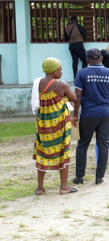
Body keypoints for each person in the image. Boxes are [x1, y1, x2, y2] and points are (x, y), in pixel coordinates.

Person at [72, 48, 109, 185]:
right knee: (103, 145)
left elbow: (77, 96)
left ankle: (79, 177)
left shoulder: (82, 73)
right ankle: (99, 177)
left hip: (88, 114)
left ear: (87, 60)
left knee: (82, 145)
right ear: (101, 58)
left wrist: (75, 115)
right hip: (105, 113)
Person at [33, 58, 78, 195]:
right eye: (60, 69)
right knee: (63, 152)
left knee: (42, 153)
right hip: (60, 125)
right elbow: (74, 98)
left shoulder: (38, 83)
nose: (61, 71)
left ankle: (40, 188)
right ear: (53, 71)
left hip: (43, 125)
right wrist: (66, 99)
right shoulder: (61, 84)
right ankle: (63, 187)